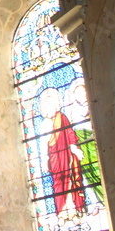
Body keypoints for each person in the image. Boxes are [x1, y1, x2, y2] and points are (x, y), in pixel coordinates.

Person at [42, 88, 86, 216]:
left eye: (50, 104)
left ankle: (74, 209)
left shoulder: (62, 118)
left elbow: (69, 133)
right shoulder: (45, 124)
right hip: (54, 158)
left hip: (66, 155)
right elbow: (43, 143)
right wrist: (44, 161)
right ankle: (61, 212)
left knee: (70, 179)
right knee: (58, 183)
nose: (48, 107)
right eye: (46, 105)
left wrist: (73, 147)